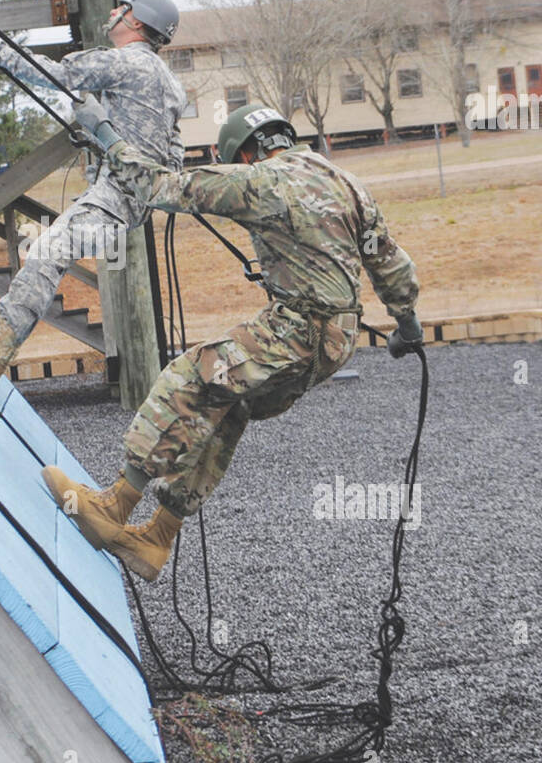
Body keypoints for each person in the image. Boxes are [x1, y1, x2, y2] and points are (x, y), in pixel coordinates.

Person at [41, 101, 423, 581]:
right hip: (334, 342)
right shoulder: (346, 183)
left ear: (246, 153)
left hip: (296, 331)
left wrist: (105, 134)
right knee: (229, 406)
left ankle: (113, 506)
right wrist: (407, 324)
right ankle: (156, 538)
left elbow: (158, 187)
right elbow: (388, 262)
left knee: (193, 376)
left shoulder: (258, 181)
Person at [0, 0, 187, 380]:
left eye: (122, 7)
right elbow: (170, 158)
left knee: (47, 250)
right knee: (50, 249)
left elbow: (57, 75)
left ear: (137, 21)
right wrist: (105, 134)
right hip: (135, 202)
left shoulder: (126, 63)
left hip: (114, 198)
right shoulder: (170, 83)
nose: (112, 11)